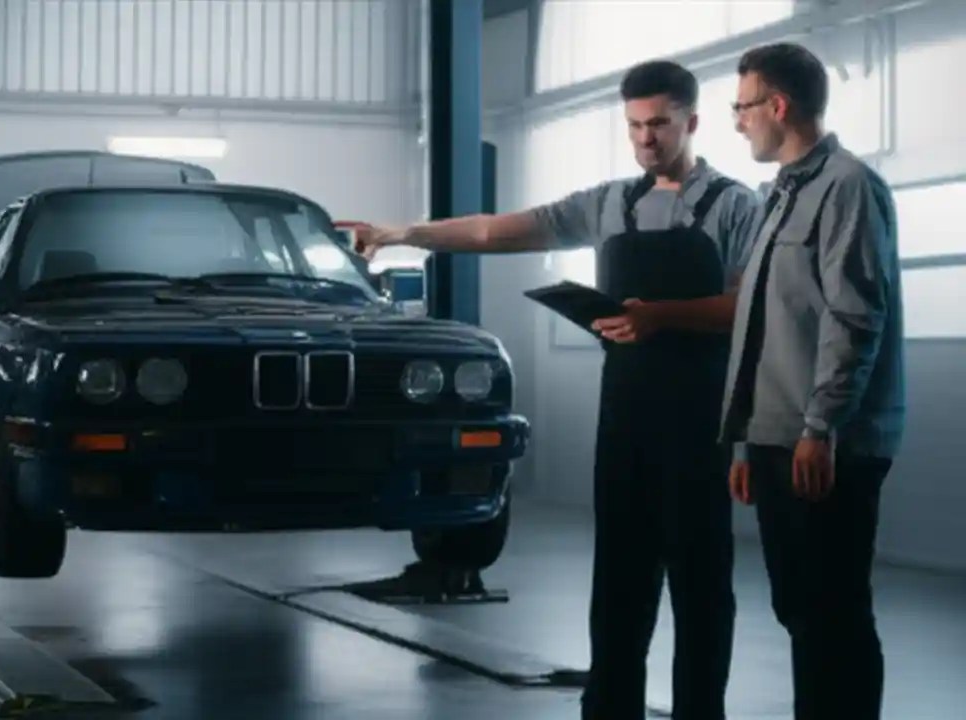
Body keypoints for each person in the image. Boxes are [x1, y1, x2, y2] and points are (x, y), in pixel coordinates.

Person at [355, 60, 762, 720]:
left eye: (659, 124)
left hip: (699, 417)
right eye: (634, 125)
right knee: (620, 578)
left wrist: (659, 316)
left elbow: (747, 308)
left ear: (691, 121)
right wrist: (401, 234)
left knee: (701, 581)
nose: (646, 138)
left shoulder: (737, 206)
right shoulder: (609, 203)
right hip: (625, 413)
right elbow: (492, 230)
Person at [720, 42, 904, 720]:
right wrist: (748, 439)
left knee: (833, 611)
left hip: (826, 441)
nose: (736, 121)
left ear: (778, 105)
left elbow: (853, 316)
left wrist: (820, 427)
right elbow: (763, 325)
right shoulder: (780, 194)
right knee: (800, 608)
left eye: (742, 106)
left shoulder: (847, 185)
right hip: (777, 435)